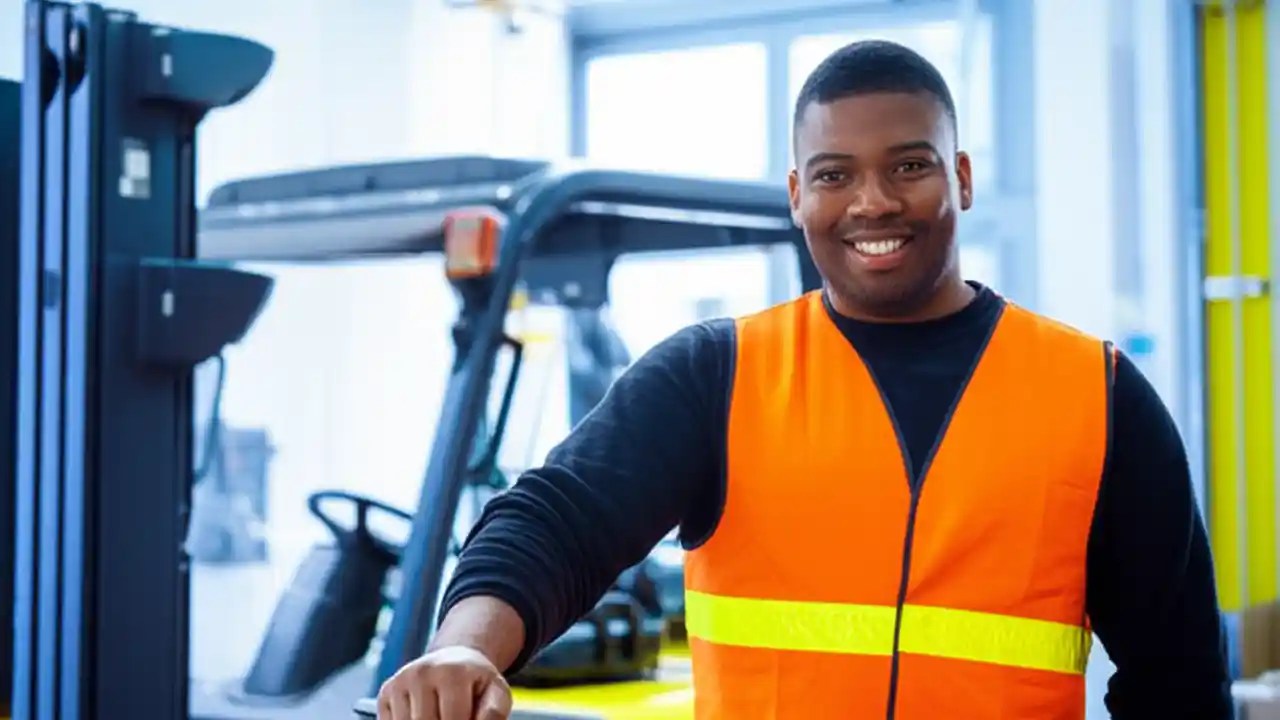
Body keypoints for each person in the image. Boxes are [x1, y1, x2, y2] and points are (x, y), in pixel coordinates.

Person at [375, 40, 1233, 720]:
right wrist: (467, 647)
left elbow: (1180, 683)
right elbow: (554, 520)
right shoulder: (715, 375)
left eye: (909, 165)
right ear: (796, 193)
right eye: (834, 175)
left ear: (961, 177)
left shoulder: (1099, 395)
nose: (872, 202)